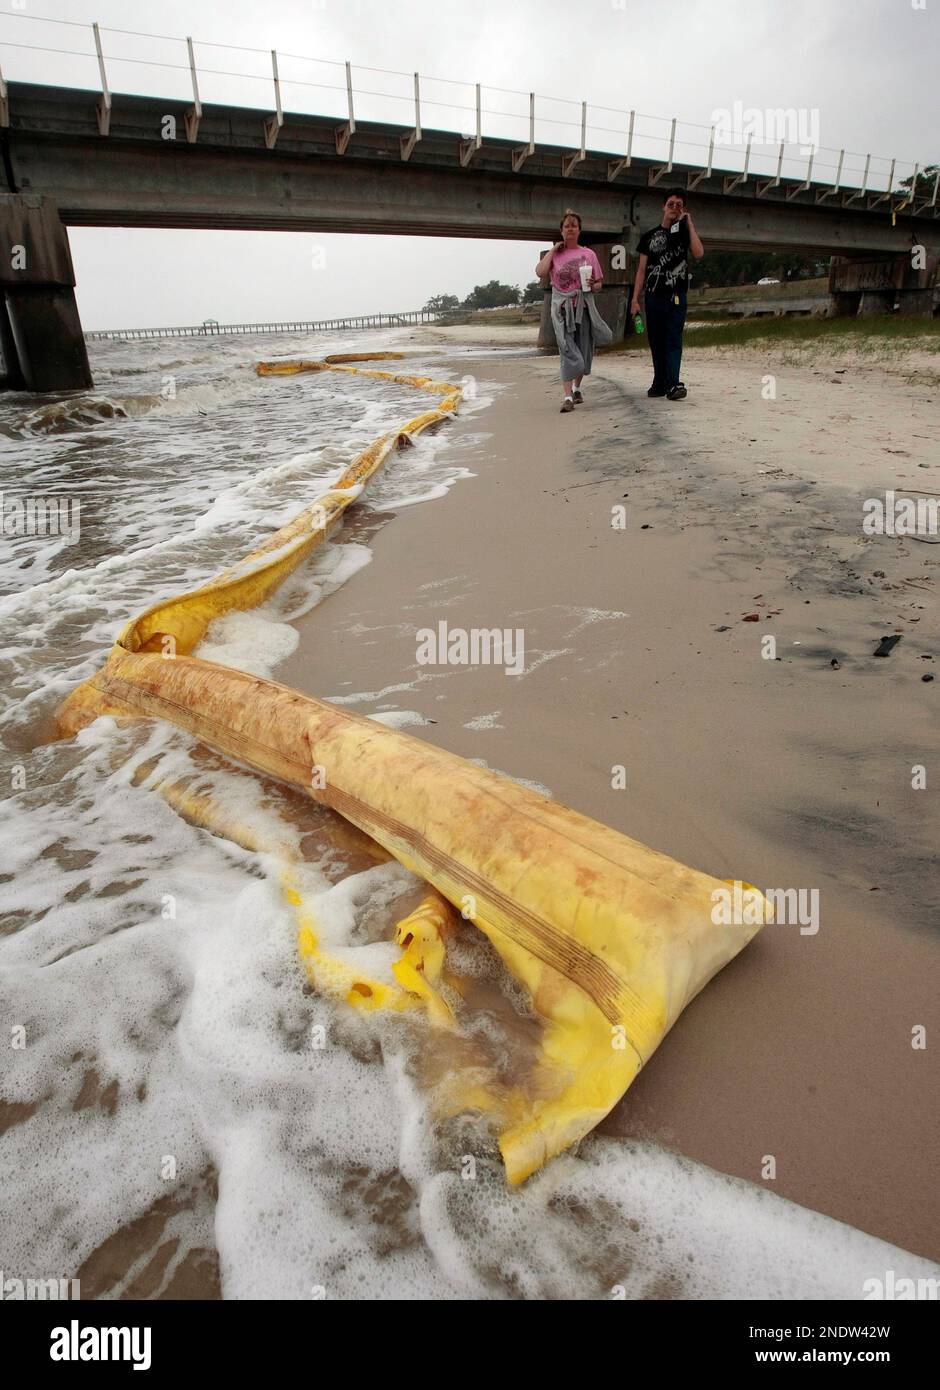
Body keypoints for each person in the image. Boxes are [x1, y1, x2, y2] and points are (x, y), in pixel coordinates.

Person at [536, 210, 612, 413]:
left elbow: (598, 284)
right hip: (562, 310)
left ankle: (577, 388)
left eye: (574, 225)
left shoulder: (589, 254)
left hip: (584, 307)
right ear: (561, 231)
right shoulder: (556, 255)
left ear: (579, 230)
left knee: (584, 351)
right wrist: (553, 251)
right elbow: (540, 272)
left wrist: (593, 283)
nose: (570, 228)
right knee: (567, 351)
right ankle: (568, 397)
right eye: (567, 225)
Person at [631, 189, 704, 401]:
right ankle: (660, 381)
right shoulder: (649, 237)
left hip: (677, 295)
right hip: (653, 296)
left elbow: (698, 253)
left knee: (673, 339)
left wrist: (689, 224)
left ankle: (674, 383)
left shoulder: (683, 234)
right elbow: (641, 271)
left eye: (679, 205)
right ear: (663, 206)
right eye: (671, 204)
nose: (674, 208)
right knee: (656, 340)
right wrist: (635, 299)